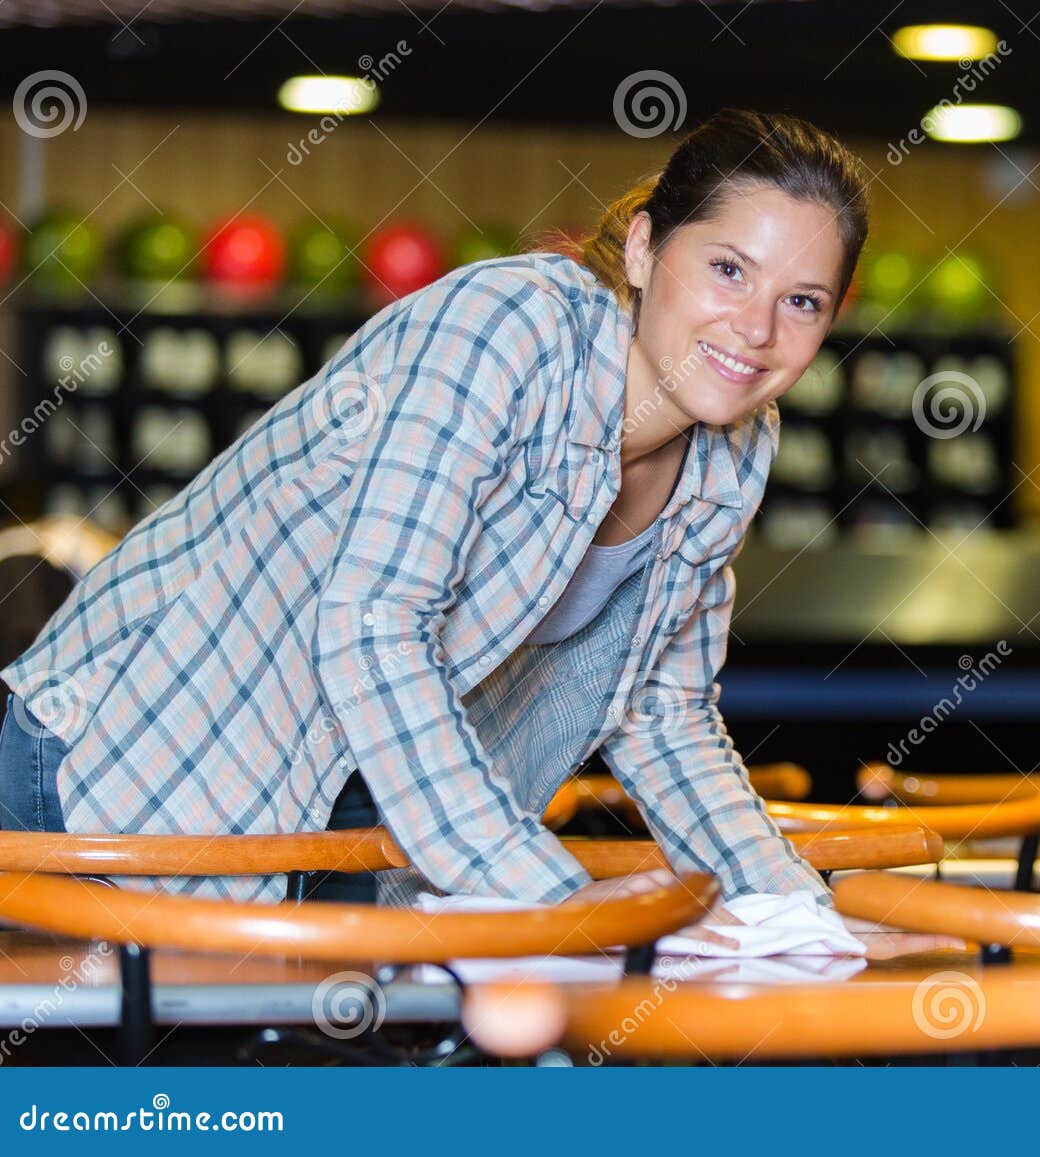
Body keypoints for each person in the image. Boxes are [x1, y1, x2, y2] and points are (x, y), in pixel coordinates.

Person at [0, 109, 949, 954]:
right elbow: (376, 625)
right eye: (729, 269)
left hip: (338, 824)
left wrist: (796, 914)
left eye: (802, 302)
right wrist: (558, 904)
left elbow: (666, 717)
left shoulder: (738, 447)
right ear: (646, 250)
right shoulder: (508, 329)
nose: (755, 328)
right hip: (124, 765)